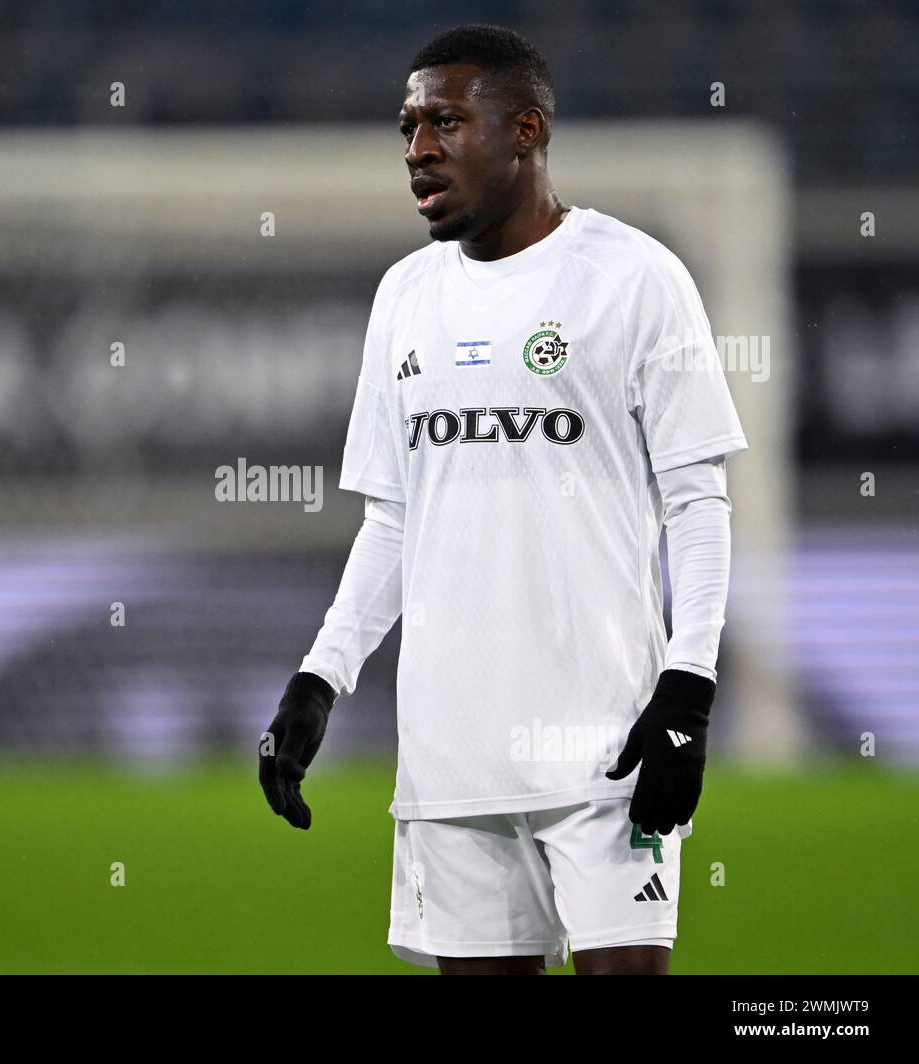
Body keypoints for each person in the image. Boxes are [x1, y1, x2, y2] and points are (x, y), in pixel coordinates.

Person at [258, 23, 749, 975]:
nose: (418, 149)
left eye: (445, 120)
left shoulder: (636, 279)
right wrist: (320, 679)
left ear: (526, 130)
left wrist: (689, 686)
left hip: (608, 751)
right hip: (452, 762)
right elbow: (393, 518)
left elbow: (698, 502)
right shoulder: (402, 298)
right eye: (406, 128)